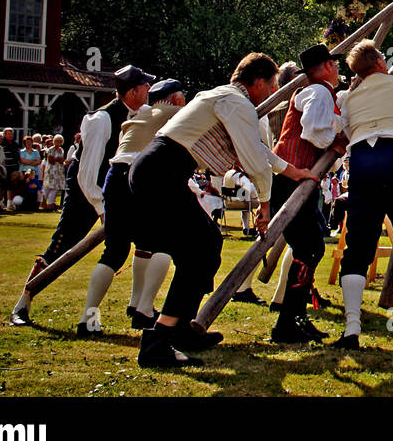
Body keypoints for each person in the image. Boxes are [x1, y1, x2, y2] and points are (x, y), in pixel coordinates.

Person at [130, 53, 316, 368]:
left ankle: (179, 331)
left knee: (207, 246)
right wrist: (265, 203)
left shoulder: (224, 97)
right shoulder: (236, 103)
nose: (272, 92)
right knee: (199, 252)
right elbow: (253, 160)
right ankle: (158, 340)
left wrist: (291, 171)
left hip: (162, 169)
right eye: (270, 85)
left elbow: (255, 149)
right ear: (257, 82)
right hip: (162, 171)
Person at [11, 65, 155, 329]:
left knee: (136, 244)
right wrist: (102, 209)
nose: (149, 89)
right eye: (144, 86)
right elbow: (87, 173)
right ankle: (23, 303)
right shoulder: (102, 120)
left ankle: (139, 309)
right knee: (62, 246)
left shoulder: (141, 114)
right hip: (86, 190)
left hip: (117, 187)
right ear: (132, 91)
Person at [325, 39, 393, 350]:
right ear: (380, 63)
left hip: (363, 161)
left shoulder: (348, 98)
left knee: (359, 245)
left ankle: (352, 329)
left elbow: (345, 131)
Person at [81, 78, 188, 337]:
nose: (185, 99)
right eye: (183, 95)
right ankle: (143, 309)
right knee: (166, 243)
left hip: (115, 177)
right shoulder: (175, 112)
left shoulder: (138, 116)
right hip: (141, 177)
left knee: (115, 252)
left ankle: (89, 319)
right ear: (174, 98)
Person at [267, 43, 349, 344]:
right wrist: (335, 142)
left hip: (299, 180)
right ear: (326, 66)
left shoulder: (318, 92)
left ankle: (294, 318)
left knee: (310, 247)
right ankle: (289, 322)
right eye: (335, 64)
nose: (338, 69)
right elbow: (314, 131)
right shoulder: (319, 92)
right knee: (310, 247)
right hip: (293, 179)